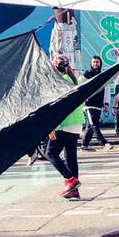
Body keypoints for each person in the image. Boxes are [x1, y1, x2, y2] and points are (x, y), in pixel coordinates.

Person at [47, 55, 84, 200]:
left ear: (55, 68)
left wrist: (52, 127)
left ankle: (70, 180)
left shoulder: (59, 82)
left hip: (65, 124)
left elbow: (57, 108)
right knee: (71, 158)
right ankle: (74, 192)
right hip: (77, 124)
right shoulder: (74, 80)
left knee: (51, 153)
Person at [81, 55, 110, 150]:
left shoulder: (103, 75)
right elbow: (82, 87)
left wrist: (106, 103)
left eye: (97, 62)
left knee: (90, 126)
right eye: (94, 62)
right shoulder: (86, 74)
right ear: (91, 63)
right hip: (89, 104)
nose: (95, 64)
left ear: (100, 63)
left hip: (98, 104)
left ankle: (84, 145)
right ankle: (104, 143)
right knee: (94, 125)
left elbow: (107, 89)